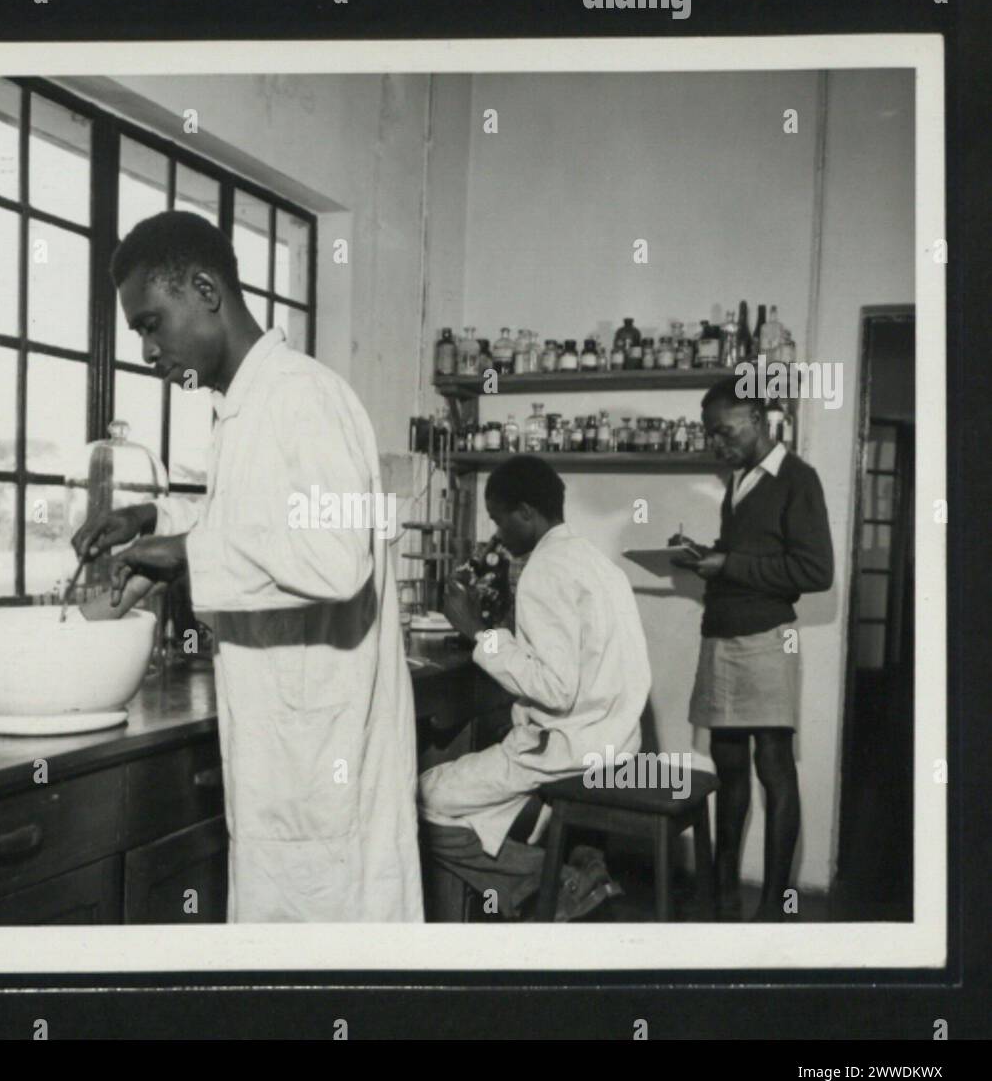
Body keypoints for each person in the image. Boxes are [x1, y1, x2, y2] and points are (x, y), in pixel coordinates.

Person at [72, 211, 422, 923]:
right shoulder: (245, 408)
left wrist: (187, 555)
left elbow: (334, 556)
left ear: (204, 288)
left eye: (148, 323)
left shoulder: (301, 397)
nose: (145, 349)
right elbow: (267, 529)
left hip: (325, 768)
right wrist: (158, 524)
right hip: (290, 757)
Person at [419, 455, 652, 920]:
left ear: (526, 513)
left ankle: (558, 881)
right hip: (615, 740)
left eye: (498, 518)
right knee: (472, 792)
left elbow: (556, 687)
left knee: (422, 796)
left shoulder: (545, 570)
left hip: (569, 749)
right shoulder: (595, 563)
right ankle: (572, 867)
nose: (496, 533)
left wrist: (476, 632)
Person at [675, 378, 833, 922]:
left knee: (774, 769)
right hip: (720, 636)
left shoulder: (797, 479)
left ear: (759, 419)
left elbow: (816, 571)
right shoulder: (739, 480)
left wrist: (730, 565)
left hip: (767, 639)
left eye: (725, 432)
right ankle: (722, 889)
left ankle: (772, 906)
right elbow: (745, 553)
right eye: (711, 435)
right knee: (729, 770)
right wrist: (706, 555)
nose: (718, 445)